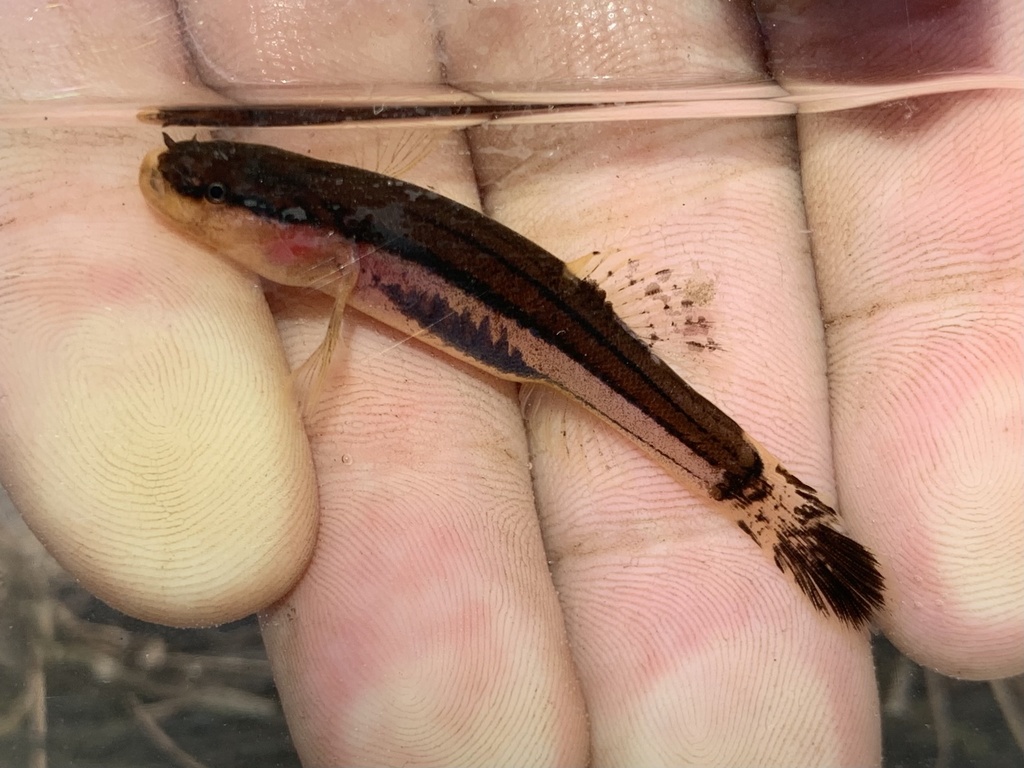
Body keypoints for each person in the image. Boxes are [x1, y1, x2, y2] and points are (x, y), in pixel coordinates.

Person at [0, 2, 1020, 765]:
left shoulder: (339, 243)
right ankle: (767, 501)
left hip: (560, 332)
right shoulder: (329, 225)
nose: (187, 193)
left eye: (216, 195)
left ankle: (768, 503)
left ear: (301, 232)